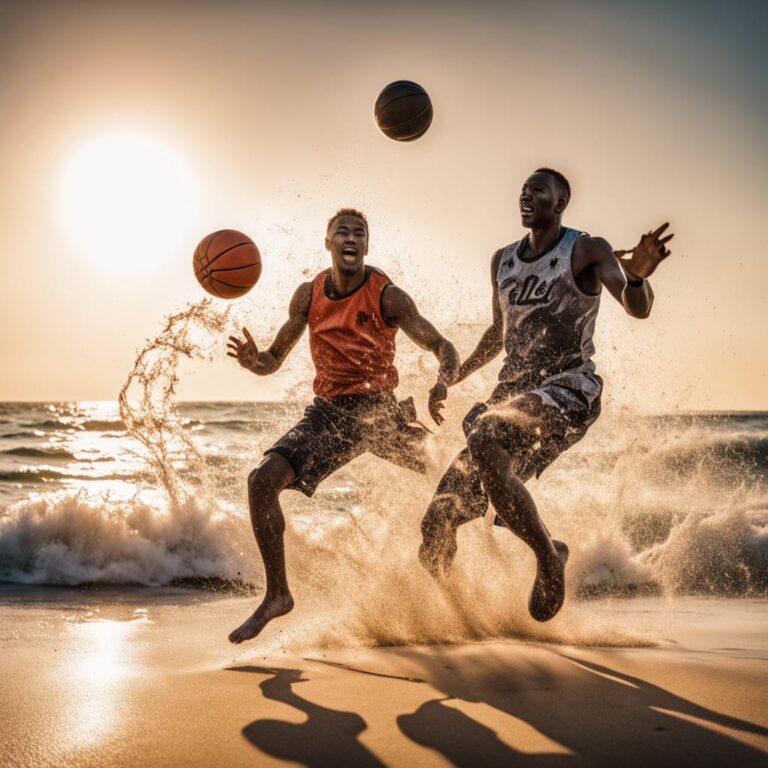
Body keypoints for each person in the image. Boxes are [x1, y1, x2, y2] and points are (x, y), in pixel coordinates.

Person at [418, 168, 673, 622]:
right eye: (523, 189)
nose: (526, 194)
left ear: (559, 202)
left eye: (537, 188)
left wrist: (636, 277)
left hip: (569, 389)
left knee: (484, 429)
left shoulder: (585, 249)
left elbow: (638, 308)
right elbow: (498, 333)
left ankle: (548, 557)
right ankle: (464, 623)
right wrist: (453, 376)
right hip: (511, 397)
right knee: (435, 523)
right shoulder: (502, 261)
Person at [227, 208, 459, 643]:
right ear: (328, 242)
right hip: (330, 415)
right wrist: (253, 361)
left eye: (359, 234)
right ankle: (277, 595)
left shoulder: (388, 297)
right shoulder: (308, 295)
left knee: (461, 475)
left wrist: (442, 382)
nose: (350, 238)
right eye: (342, 232)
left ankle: (501, 553)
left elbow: (442, 345)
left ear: (366, 246)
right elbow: (273, 359)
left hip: (381, 414)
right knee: (261, 480)